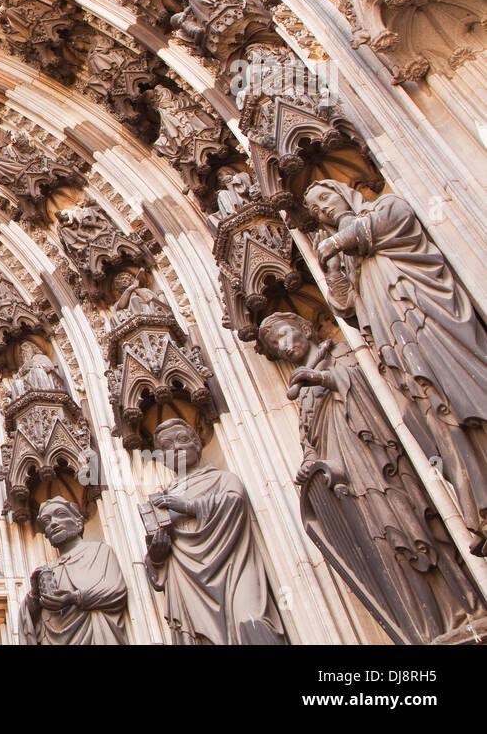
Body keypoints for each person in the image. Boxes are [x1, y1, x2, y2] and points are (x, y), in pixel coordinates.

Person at [258, 311, 483, 642]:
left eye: (287, 334)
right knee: (385, 544)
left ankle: (466, 605)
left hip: (378, 463)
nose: (285, 345)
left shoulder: (341, 354)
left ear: (305, 328)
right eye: (277, 345)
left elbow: (376, 388)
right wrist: (308, 462)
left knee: (414, 526)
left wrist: (327, 379)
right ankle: (428, 625)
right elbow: (311, 439)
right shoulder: (303, 391)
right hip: (348, 482)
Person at [305, 179, 487, 551]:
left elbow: (395, 219)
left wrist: (338, 241)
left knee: (463, 388)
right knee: (436, 417)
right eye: (315, 211)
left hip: (429, 320)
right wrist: (335, 267)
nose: (323, 210)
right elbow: (347, 308)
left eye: (325, 198)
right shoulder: (350, 258)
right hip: (395, 349)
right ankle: (479, 506)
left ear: (343, 191)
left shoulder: (380, 210)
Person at [144, 419, 286, 644]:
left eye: (182, 440)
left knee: (251, 621)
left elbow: (235, 502)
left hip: (233, 567)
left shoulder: (222, 479)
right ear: (162, 458)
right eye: (168, 446)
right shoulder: (160, 502)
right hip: (186, 579)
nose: (177, 448)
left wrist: (188, 506)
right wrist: (156, 556)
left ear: (197, 444)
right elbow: (156, 561)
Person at [20, 498, 128, 645]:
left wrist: (74, 598)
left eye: (61, 514)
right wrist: (34, 594)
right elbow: (31, 623)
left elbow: (116, 591)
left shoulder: (98, 551)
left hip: (96, 635)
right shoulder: (47, 572)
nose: (53, 523)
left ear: (78, 522)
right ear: (46, 534)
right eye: (47, 521)